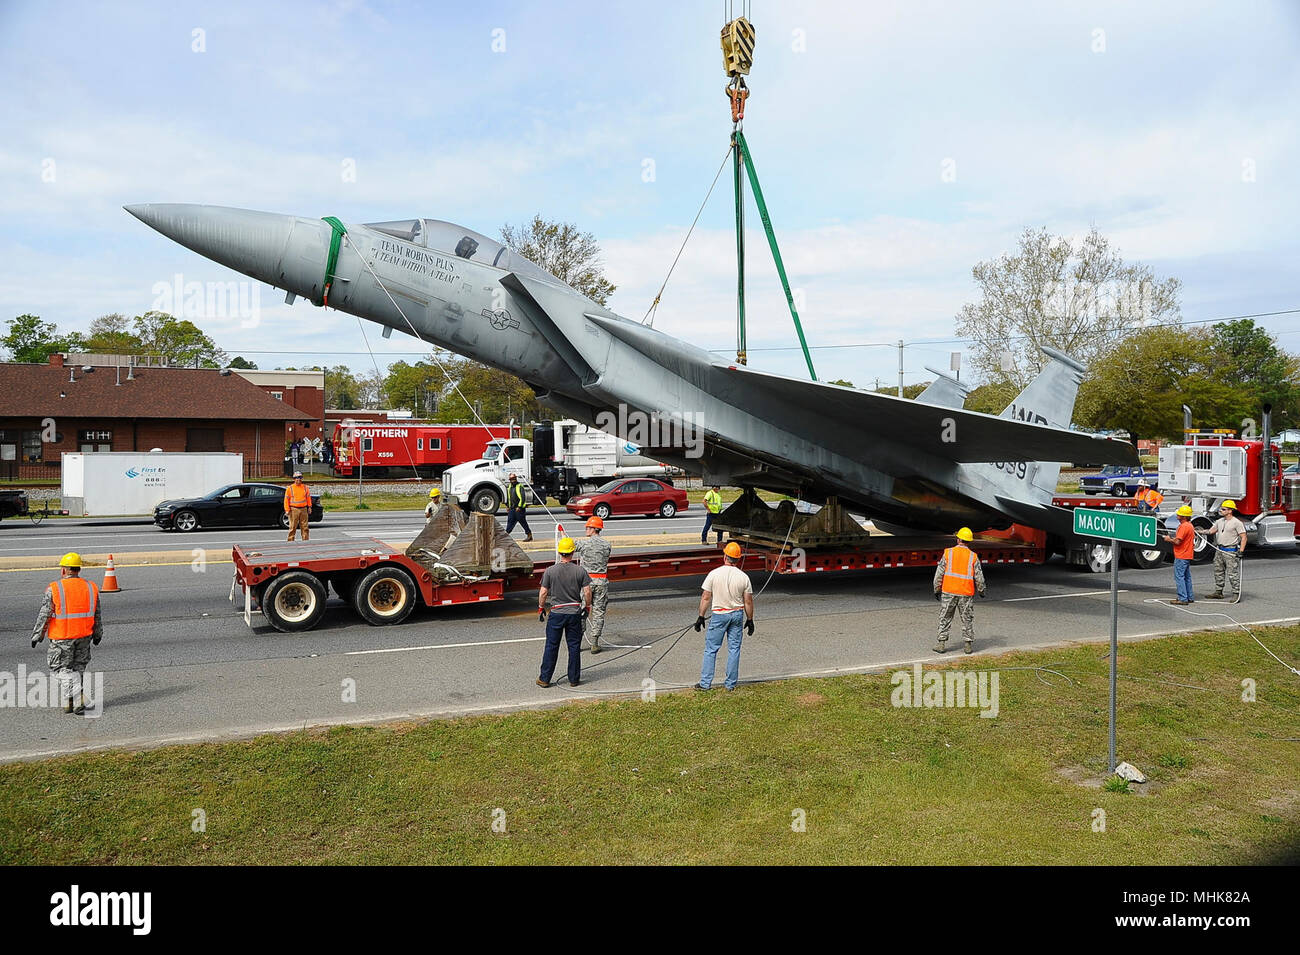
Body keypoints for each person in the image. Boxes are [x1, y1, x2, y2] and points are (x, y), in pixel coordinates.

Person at [31, 552, 103, 714]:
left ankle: (78, 697)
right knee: (78, 669)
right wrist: (98, 634)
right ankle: (70, 702)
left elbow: (45, 614)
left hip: (62, 638)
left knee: (60, 669)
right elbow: (97, 613)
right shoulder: (91, 587)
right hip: (84, 636)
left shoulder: (55, 588)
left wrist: (37, 635)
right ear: (78, 569)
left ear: (64, 570)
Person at [693, 541, 754, 690]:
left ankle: (705, 683)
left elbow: (706, 597)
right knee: (734, 649)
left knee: (711, 649)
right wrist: (750, 619)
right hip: (737, 615)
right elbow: (748, 601)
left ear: (725, 556)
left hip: (719, 615)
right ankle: (730, 684)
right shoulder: (744, 577)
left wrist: (701, 616)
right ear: (738, 559)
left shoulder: (714, 574)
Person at [536, 537, 592, 687]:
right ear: (573, 552)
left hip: (556, 613)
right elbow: (587, 592)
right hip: (574, 613)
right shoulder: (580, 571)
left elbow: (543, 592)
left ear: (560, 552)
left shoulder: (550, 571)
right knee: (574, 646)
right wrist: (587, 607)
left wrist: (541, 607)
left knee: (551, 645)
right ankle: (574, 679)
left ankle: (544, 679)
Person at [932, 527, 987, 654]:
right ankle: (967, 646)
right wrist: (981, 591)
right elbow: (979, 577)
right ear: (969, 541)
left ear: (958, 539)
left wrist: (937, 588)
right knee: (967, 618)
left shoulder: (948, 553)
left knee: (945, 617)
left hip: (949, 591)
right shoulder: (973, 556)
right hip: (965, 593)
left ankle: (941, 644)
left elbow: (939, 573)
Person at [574, 516, 613, 653]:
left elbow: (568, 545)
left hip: (586, 583)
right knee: (598, 612)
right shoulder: (607, 545)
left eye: (588, 527)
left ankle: (577, 643)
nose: (586, 529)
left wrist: (561, 532)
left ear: (594, 529)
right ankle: (595, 643)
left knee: (582, 610)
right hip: (601, 581)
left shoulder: (584, 544)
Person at [1199, 499, 1246, 600]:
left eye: (1223, 509)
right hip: (1219, 550)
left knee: (1232, 573)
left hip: (1230, 551)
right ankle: (1218, 592)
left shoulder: (1237, 523)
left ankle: (1236, 593)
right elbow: (1211, 531)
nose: (1221, 511)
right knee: (1218, 571)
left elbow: (1243, 537)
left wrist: (1241, 551)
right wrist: (1199, 531)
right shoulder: (1219, 521)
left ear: (1230, 511)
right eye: (1221, 509)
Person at [1163, 504, 1196, 605]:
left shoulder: (1184, 526)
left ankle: (1183, 598)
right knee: (1186, 577)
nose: (1177, 515)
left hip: (1181, 555)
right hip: (1187, 554)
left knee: (1179, 577)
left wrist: (1169, 539)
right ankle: (1189, 596)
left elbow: (1177, 542)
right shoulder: (1190, 525)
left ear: (1184, 516)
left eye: (1179, 514)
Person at [284, 471, 312, 541]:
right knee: (292, 527)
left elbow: (308, 498)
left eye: (299, 477)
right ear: (294, 479)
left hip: (304, 509)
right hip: (294, 509)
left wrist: (309, 507)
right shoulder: (290, 488)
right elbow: (286, 500)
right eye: (296, 478)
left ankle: (305, 541)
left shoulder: (305, 488)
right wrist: (287, 510)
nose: (298, 479)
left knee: (305, 527)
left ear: (301, 478)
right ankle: (291, 541)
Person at [505, 473, 533, 542]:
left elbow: (523, 497)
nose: (513, 480)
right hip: (512, 508)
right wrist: (508, 506)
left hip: (519, 509)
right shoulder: (509, 487)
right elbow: (509, 498)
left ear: (516, 479)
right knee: (510, 522)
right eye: (511, 479)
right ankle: (505, 536)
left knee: (522, 521)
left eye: (514, 479)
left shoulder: (520, 486)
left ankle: (529, 535)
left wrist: (519, 507)